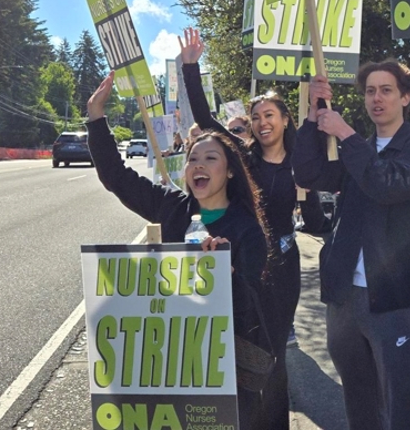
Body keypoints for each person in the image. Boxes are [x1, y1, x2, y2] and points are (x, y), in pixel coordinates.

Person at [85, 71, 275, 429]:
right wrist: (96, 118)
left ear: (230, 172)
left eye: (210, 159)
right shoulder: (172, 206)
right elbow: (116, 177)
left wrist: (225, 275)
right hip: (172, 358)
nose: (198, 165)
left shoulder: (247, 229)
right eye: (192, 159)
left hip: (223, 367)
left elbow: (251, 302)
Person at [178, 28, 325, 430]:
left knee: (275, 348)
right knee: (245, 344)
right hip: (245, 259)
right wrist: (191, 67)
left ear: (285, 119)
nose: (262, 123)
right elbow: (207, 120)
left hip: (285, 264)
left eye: (269, 116)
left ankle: (276, 420)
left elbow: (317, 223)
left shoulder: (303, 164)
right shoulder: (243, 158)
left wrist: (311, 197)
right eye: (257, 117)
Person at [293, 61, 410, 430]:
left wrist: (345, 132)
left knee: (402, 405)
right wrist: (313, 121)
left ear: (405, 97)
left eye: (387, 90)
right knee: (358, 399)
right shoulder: (351, 148)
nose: (377, 98)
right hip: (344, 294)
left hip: (391, 295)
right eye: (370, 91)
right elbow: (308, 174)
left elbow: (386, 185)